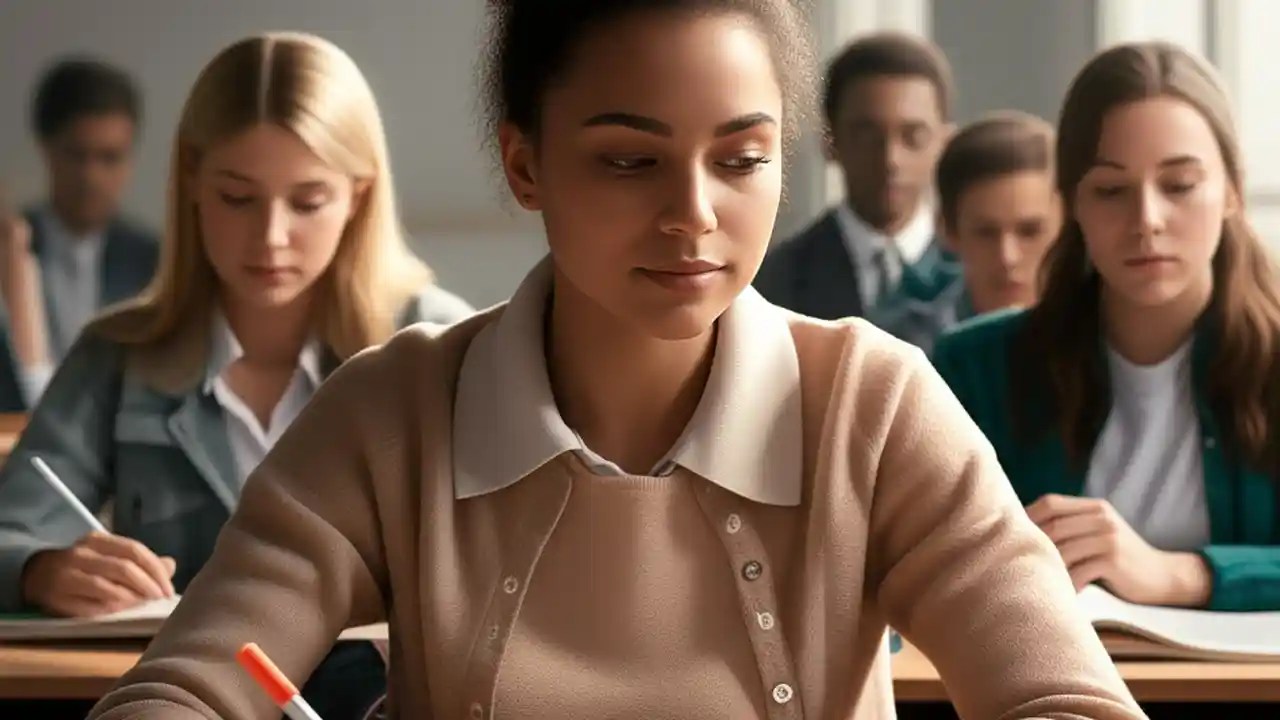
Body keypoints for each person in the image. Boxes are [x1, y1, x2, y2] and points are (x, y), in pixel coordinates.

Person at [89, 4, 1142, 719]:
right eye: (631, 160)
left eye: (739, 160)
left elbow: (1062, 697)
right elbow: (181, 689)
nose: (694, 216)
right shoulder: (392, 411)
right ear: (524, 164)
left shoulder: (873, 408)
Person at [0, 32, 472, 720]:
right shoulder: (120, 352)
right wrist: (42, 569)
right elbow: (9, 529)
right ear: (191, 180)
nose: (271, 237)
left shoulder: (437, 346)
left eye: (307, 202)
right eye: (238, 197)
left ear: (359, 197)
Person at [932, 42, 1280, 612]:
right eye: (1112, 190)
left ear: (1233, 191)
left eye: (1179, 185)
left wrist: (1181, 576)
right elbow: (909, 564)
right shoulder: (974, 368)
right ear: (1071, 204)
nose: (1147, 221)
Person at [754, 32, 960, 350]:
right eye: (867, 135)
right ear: (830, 141)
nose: (890, 159)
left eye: (913, 136)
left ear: (944, 143)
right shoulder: (773, 281)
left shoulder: (979, 266)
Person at [8, 58, 160, 407]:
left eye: (109, 158)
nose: (91, 177)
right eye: (77, 156)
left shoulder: (155, 261)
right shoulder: (9, 253)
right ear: (46, 149)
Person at [935, 110, 1061, 319]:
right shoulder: (900, 346)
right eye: (986, 233)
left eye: (1029, 232)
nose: (1008, 257)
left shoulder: (1116, 338)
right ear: (948, 231)